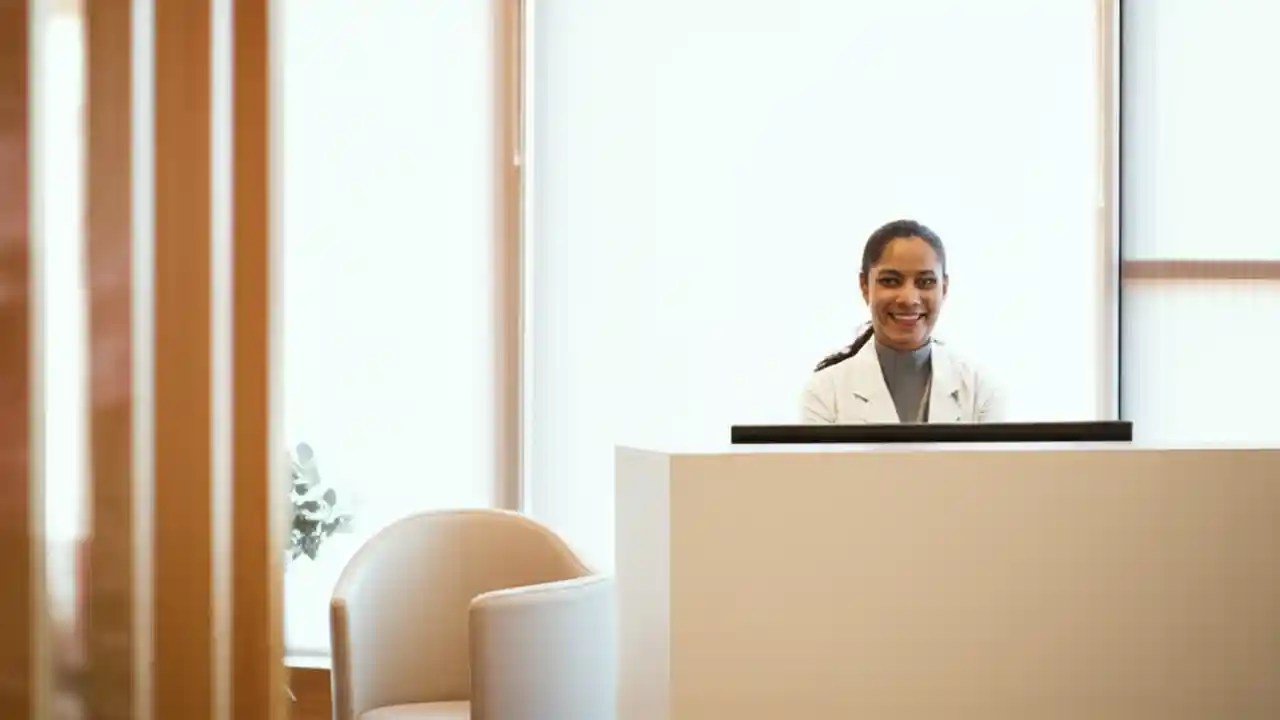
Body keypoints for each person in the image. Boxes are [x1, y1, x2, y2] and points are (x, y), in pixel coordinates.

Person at [801, 219, 1002, 424]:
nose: (909, 299)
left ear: (944, 288)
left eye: (926, 282)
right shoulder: (825, 393)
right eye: (890, 281)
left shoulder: (980, 391)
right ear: (864, 286)